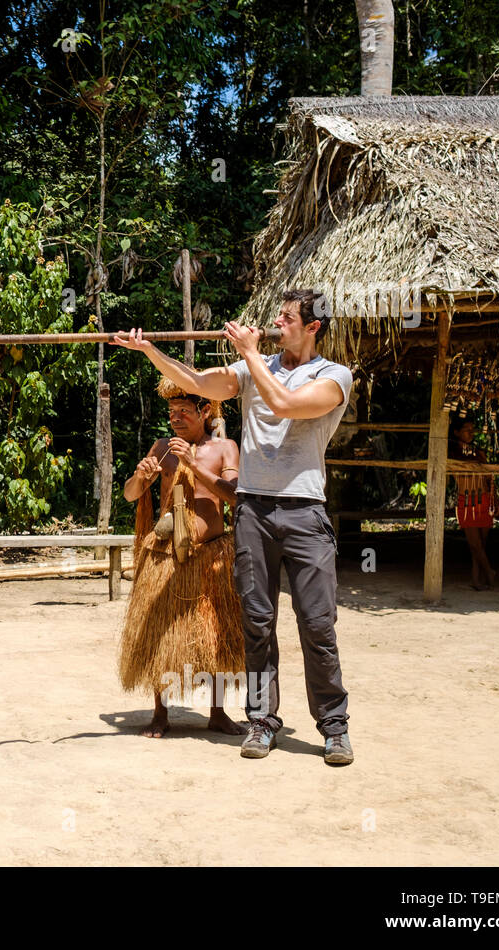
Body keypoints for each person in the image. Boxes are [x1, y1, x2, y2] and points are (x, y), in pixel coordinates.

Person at [112, 288, 355, 766]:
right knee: (257, 624)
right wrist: (150, 352)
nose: (276, 323)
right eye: (277, 316)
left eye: (286, 318)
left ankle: (333, 728)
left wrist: (249, 353)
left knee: (317, 625)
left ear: (313, 327)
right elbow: (199, 383)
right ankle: (262, 722)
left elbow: (284, 404)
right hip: (253, 513)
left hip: (304, 511)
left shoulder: (332, 376)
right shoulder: (251, 369)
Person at [117, 377, 245, 738]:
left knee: (217, 635)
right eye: (172, 412)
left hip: (212, 557)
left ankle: (218, 713)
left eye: (184, 411)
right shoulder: (161, 447)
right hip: (165, 556)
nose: (175, 418)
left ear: (206, 411)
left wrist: (193, 463)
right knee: (160, 634)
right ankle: (160, 713)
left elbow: (236, 496)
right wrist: (140, 478)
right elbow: (129, 495)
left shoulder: (225, 449)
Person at [449, 418, 497, 590]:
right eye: (466, 429)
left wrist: (495, 498)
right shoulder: (452, 454)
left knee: (480, 545)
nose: (471, 432)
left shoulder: (479, 452)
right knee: (474, 544)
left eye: (472, 429)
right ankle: (489, 572)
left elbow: (489, 477)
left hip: (483, 498)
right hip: (466, 499)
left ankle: (476, 579)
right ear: (456, 432)